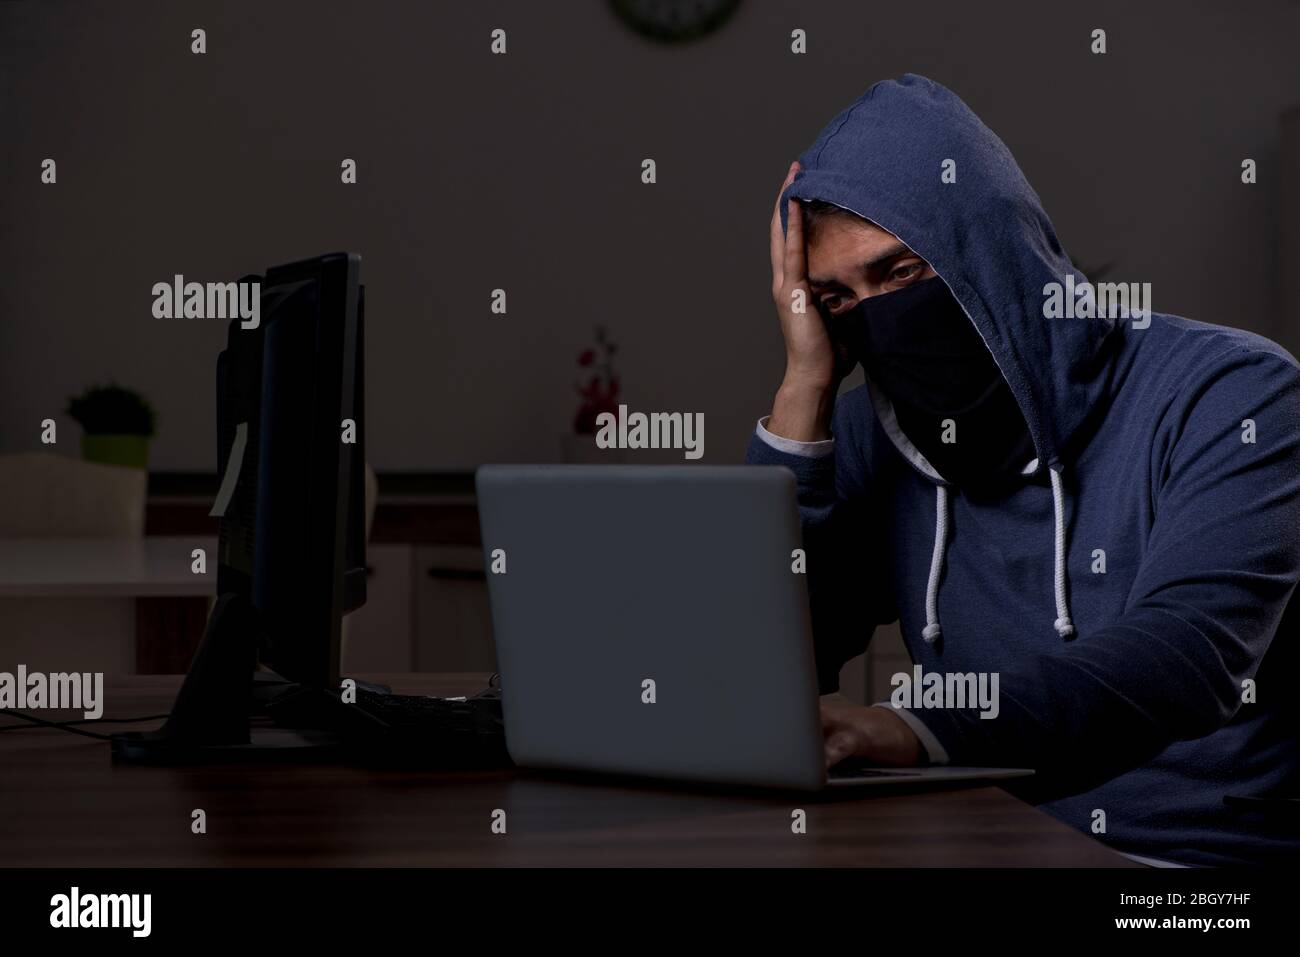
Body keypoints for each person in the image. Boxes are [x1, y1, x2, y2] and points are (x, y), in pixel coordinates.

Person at [749, 74, 1300, 866]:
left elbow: (1188, 655)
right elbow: (768, 664)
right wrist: (802, 393)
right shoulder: (882, 436)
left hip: (1199, 871)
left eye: (902, 274)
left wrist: (921, 726)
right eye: (838, 297)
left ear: (996, 255)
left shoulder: (1235, 393)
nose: (878, 317)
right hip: (986, 846)